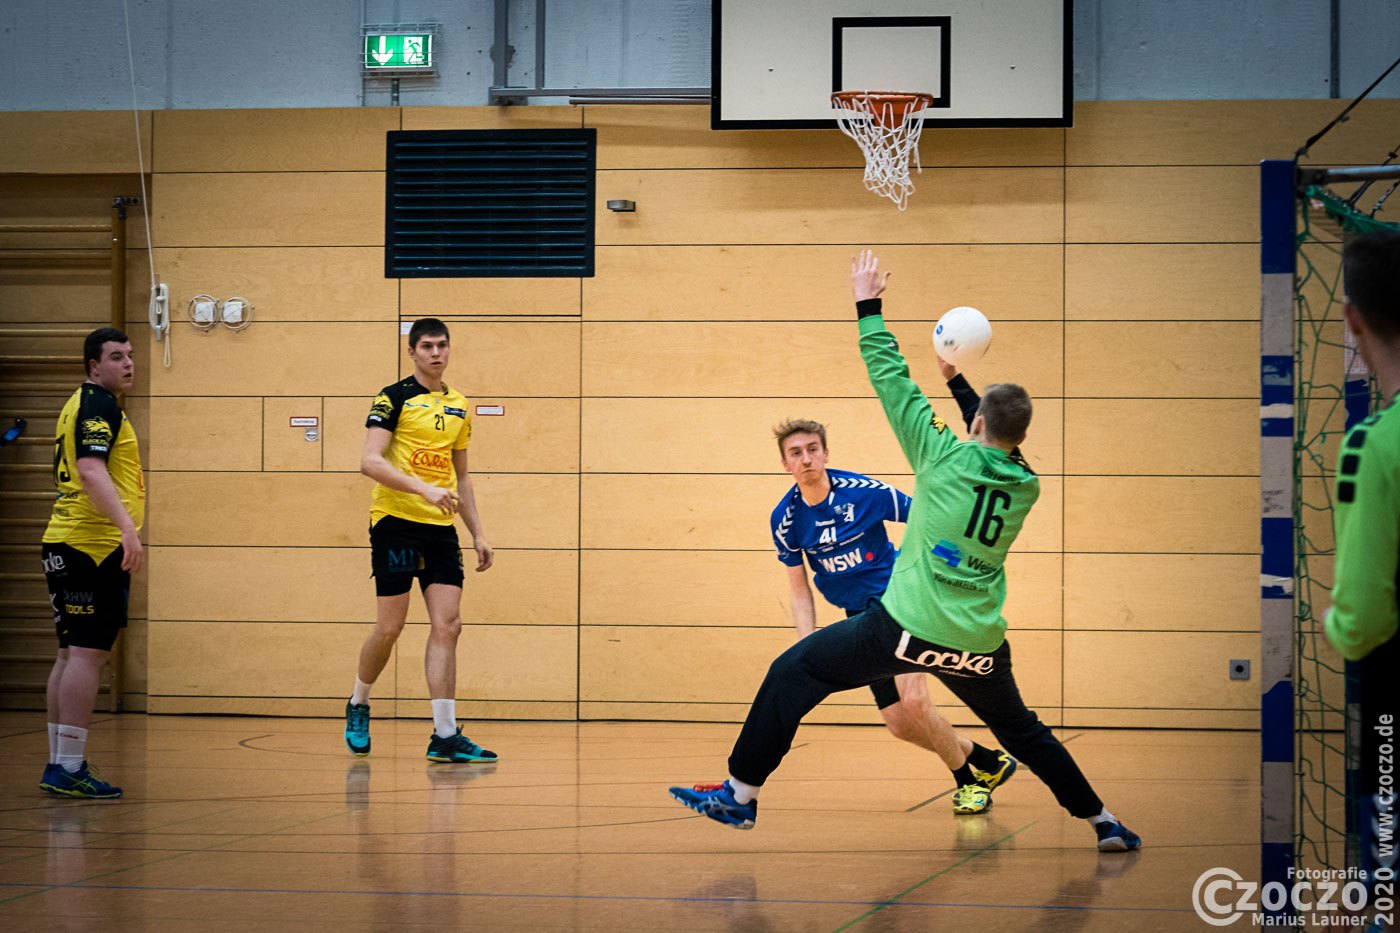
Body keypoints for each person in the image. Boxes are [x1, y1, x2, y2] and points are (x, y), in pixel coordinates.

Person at [670, 251, 1140, 852]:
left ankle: (740, 795)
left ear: (973, 428)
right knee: (1023, 730)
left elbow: (889, 377)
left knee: (794, 671)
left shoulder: (941, 458)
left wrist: (869, 304)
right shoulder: (1026, 484)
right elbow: (996, 439)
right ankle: (1103, 822)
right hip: (978, 640)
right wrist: (957, 383)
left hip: (905, 627)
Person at [770, 415, 1017, 814]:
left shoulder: (864, 492)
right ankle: (987, 761)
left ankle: (968, 784)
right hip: (858, 617)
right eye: (795, 453)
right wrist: (808, 648)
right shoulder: (786, 520)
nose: (806, 459)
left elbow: (927, 517)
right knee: (901, 724)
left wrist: (950, 562)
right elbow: (799, 592)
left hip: (901, 601)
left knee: (916, 700)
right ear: (785, 464)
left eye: (813, 450)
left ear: (826, 453)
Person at [343, 317, 498, 764]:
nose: (435, 352)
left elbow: (461, 477)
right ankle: (358, 703)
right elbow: (370, 462)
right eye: (426, 345)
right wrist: (423, 488)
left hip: (440, 530)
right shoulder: (393, 398)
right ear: (412, 352)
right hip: (395, 521)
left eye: (442, 345)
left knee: (449, 625)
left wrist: (479, 533)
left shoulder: (459, 406)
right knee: (390, 628)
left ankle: (445, 735)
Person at [1324, 229, 1400, 886]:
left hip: (1393, 696)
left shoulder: (1372, 445)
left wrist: (1334, 621)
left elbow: (1363, 618)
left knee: (1386, 882)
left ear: (1352, 321)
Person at [39, 327, 145, 799]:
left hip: (68, 542)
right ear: (93, 366)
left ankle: (60, 763)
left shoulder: (78, 403)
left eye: (129, 356)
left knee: (70, 654)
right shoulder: (99, 405)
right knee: (88, 654)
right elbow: (90, 468)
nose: (127, 364)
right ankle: (69, 765)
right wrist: (126, 528)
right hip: (90, 544)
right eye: (116, 357)